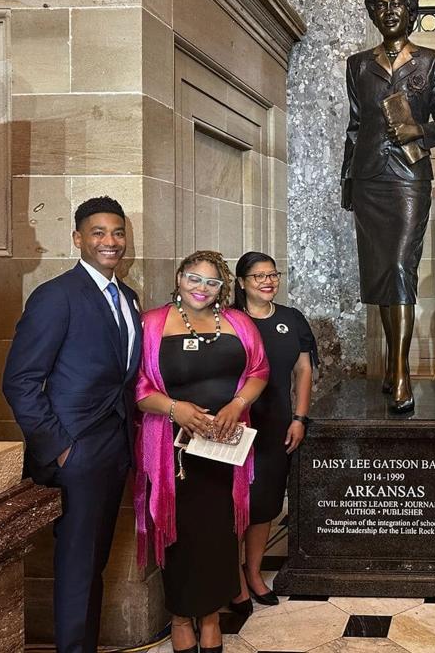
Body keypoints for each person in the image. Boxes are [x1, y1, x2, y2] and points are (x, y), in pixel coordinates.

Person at [2, 196, 142, 653]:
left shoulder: (128, 297)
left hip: (116, 447)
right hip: (78, 450)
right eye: (98, 232)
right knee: (78, 565)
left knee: (94, 563)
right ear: (78, 238)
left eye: (117, 232)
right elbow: (20, 381)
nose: (110, 241)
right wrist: (61, 447)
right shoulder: (55, 296)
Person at [133, 251, 268, 653]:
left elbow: (259, 371)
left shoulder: (238, 322)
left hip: (224, 451)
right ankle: (179, 616)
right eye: (194, 278)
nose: (201, 288)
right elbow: (138, 386)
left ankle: (210, 617)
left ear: (221, 287)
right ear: (179, 277)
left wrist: (236, 406)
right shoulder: (152, 324)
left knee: (219, 535)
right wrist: (176, 409)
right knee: (177, 534)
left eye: (211, 282)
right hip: (172, 454)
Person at [341, 0, 435, 412]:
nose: (389, 11)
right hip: (370, 178)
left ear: (411, 10)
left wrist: (416, 128)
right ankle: (392, 364)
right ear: (373, 12)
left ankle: (403, 371)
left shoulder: (431, 61)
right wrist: (347, 183)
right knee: (381, 275)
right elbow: (354, 129)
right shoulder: (358, 64)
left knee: (400, 266)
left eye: (397, 4)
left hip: (409, 177)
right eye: (381, 5)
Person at [230, 251, 317, 612]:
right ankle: (232, 581)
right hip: (232, 427)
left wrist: (299, 418)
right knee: (234, 506)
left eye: (272, 275)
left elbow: (304, 371)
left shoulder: (291, 319)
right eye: (258, 276)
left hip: (276, 427)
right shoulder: (229, 320)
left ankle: (253, 573)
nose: (268, 281)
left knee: (264, 505)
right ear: (241, 283)